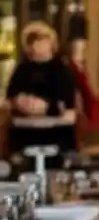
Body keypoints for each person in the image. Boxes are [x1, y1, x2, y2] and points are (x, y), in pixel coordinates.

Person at [6, 22, 78, 156]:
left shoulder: (62, 70)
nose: (38, 45)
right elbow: (10, 97)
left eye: (42, 40)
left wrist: (45, 107)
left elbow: (68, 106)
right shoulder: (21, 70)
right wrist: (19, 102)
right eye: (33, 41)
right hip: (24, 134)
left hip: (55, 136)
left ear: (51, 43)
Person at [65, 36, 99, 146]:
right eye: (78, 48)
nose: (80, 51)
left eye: (82, 48)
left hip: (84, 102)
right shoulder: (68, 67)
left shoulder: (83, 66)